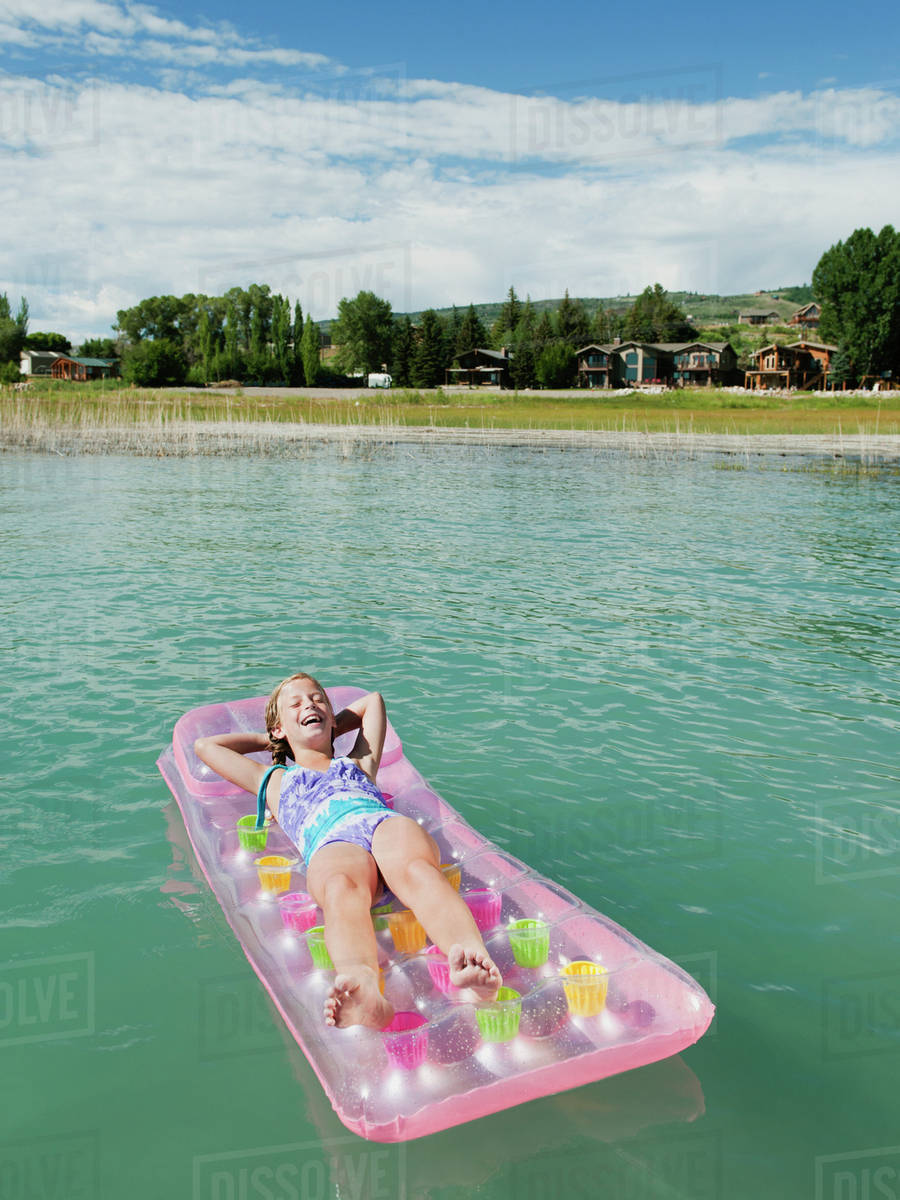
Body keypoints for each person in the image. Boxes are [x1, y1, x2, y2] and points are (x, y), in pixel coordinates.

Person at [194, 673, 502, 1030]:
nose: (309, 705)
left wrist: (319, 726)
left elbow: (372, 701)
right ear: (279, 728)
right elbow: (206, 747)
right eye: (295, 704)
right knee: (340, 887)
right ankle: (364, 987)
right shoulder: (275, 780)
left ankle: (470, 959)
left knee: (416, 869)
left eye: (318, 700)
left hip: (380, 822)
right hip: (331, 841)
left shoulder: (359, 761)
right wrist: (276, 742)